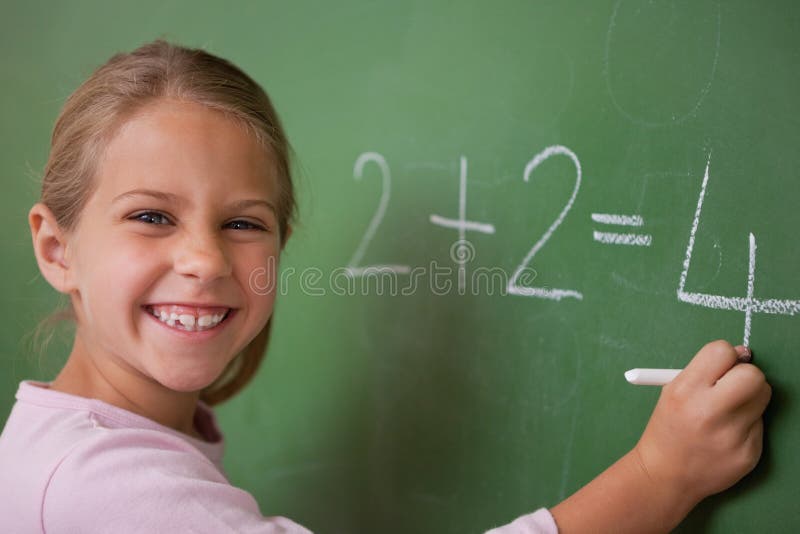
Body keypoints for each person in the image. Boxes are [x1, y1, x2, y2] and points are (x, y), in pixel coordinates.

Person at [0, 40, 771, 534]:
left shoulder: (91, 444)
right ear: (56, 247)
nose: (205, 259)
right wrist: (660, 477)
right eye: (150, 216)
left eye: (243, 223)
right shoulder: (99, 488)